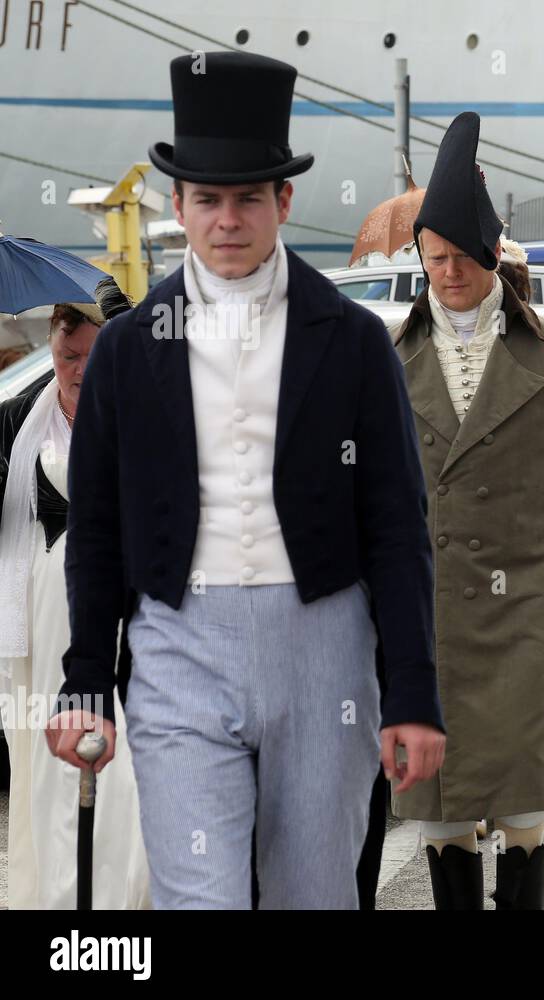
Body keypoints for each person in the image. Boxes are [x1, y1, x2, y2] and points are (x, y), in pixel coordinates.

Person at [45, 52, 444, 910]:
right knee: (203, 900)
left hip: (325, 645)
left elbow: (397, 526)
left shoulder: (352, 340)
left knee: (314, 895)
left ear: (284, 202)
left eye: (248, 198)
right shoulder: (124, 351)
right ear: (179, 206)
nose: (228, 219)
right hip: (178, 648)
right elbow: (100, 531)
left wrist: (411, 693)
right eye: (208, 200)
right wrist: (85, 682)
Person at [389, 111, 544, 910]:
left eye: (463, 256)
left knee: (523, 795)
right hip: (430, 612)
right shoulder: (392, 358)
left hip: (521, 603)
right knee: (441, 801)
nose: (449, 272)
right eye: (435, 258)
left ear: (494, 254)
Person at [1, 294, 150, 909]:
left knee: (122, 781)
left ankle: (118, 905)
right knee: (45, 766)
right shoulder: (16, 421)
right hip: (38, 611)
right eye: (66, 355)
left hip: (115, 617)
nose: (78, 369)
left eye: (91, 355)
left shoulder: (142, 416)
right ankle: (60, 905)